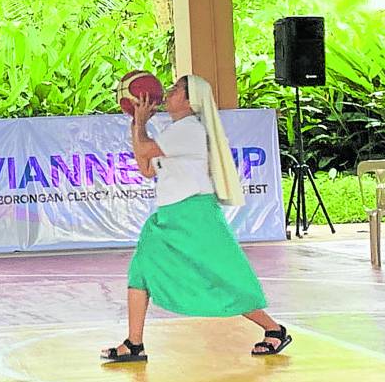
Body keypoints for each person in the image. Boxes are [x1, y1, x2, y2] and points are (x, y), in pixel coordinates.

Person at [100, 74, 293, 362]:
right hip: (169, 218)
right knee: (139, 271)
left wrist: (140, 123)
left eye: (176, 89)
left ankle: (274, 329)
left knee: (222, 279)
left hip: (195, 217)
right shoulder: (175, 130)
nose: (169, 91)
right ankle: (134, 343)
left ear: (190, 101)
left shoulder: (189, 130)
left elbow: (144, 149)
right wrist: (136, 122)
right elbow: (146, 168)